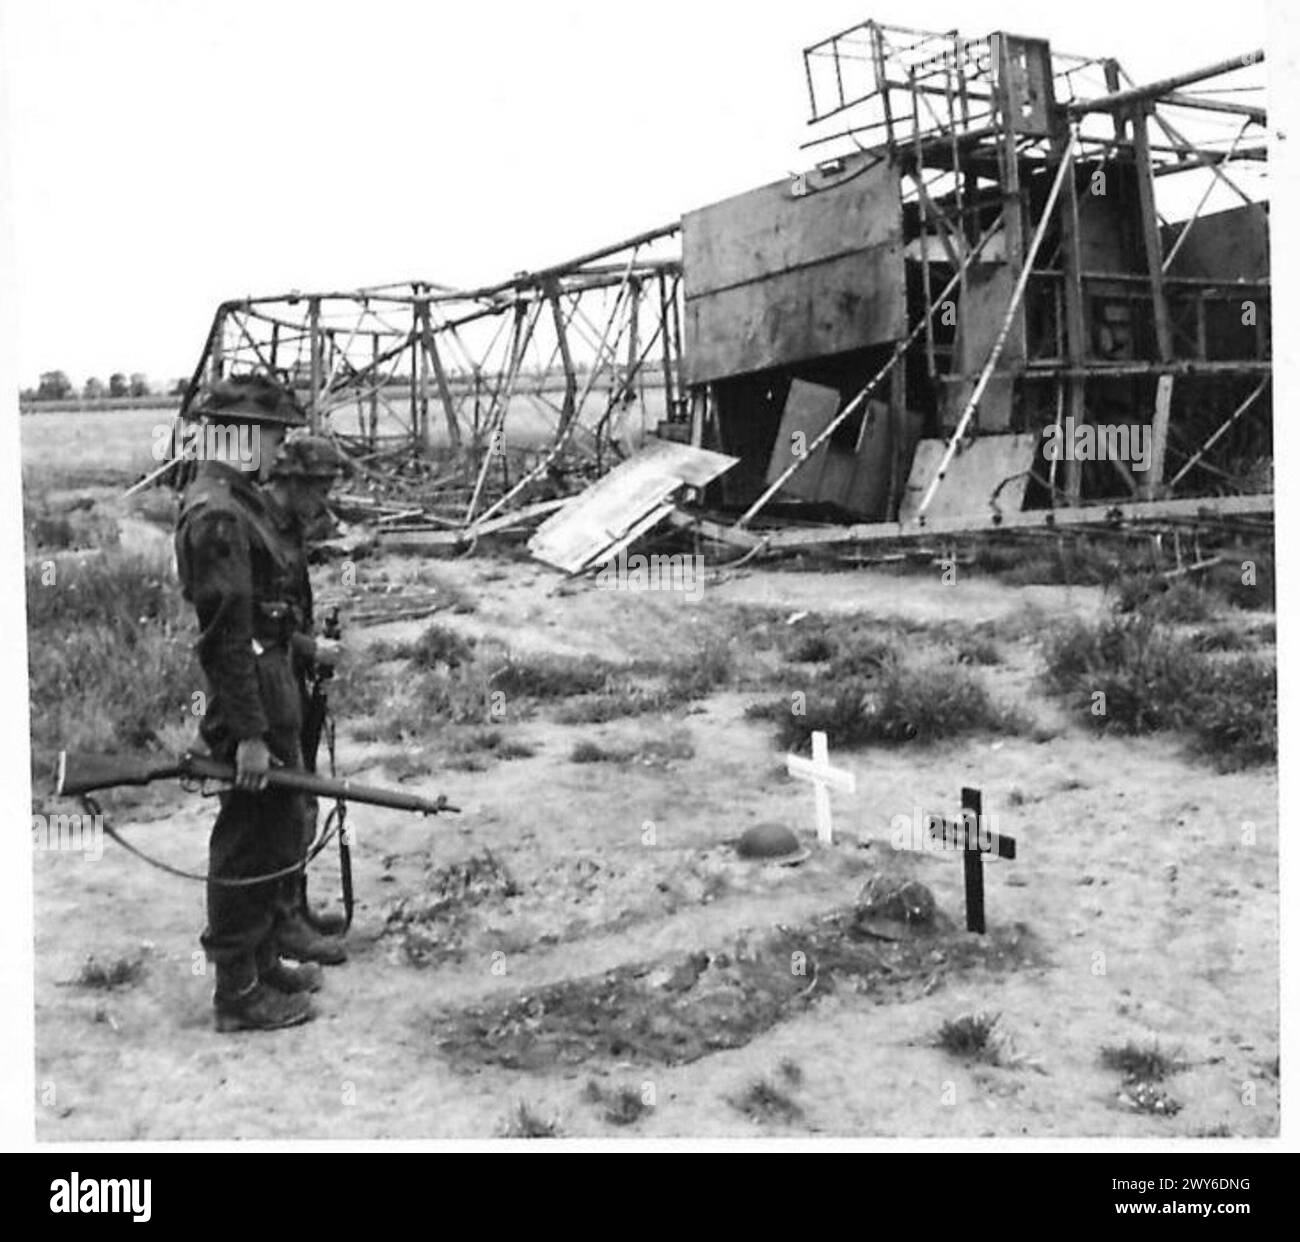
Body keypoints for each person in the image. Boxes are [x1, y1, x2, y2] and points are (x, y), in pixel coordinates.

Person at [173, 374, 324, 1032]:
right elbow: (225, 639)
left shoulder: (238, 500)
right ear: (236, 433)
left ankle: (262, 958)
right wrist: (250, 734)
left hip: (270, 691)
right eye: (272, 435)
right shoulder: (217, 513)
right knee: (245, 841)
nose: (277, 448)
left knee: (274, 832)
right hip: (250, 702)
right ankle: (237, 991)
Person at [260, 434, 350, 956]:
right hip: (269, 679)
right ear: (293, 481)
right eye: (319, 488)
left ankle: (293, 906)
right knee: (284, 803)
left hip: (293, 676)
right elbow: (253, 623)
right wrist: (308, 646)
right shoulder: (259, 530)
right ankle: (281, 922)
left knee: (301, 793)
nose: (324, 500)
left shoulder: (288, 527)